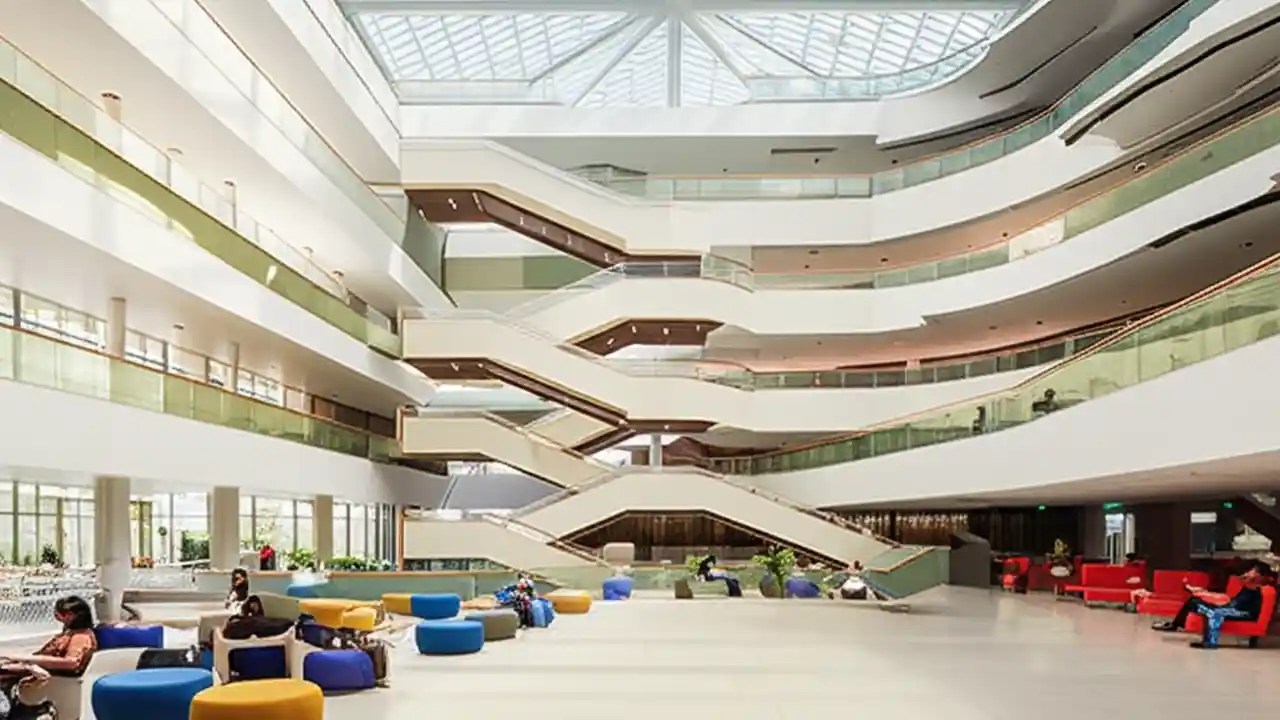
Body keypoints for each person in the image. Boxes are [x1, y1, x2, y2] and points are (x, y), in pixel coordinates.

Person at [0, 596, 98, 720]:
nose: (57, 616)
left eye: (61, 613)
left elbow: (71, 662)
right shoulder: (70, 633)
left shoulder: (80, 637)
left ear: (72, 615)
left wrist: (29, 661)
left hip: (48, 677)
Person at [1152, 561, 1273, 649]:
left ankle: (1210, 642)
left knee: (1212, 613)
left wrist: (1245, 579)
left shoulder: (1257, 588)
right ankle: (1176, 624)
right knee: (1194, 601)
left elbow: (1245, 605)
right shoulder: (1250, 586)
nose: (1248, 573)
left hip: (1242, 613)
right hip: (1230, 609)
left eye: (1252, 571)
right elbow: (1236, 597)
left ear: (1260, 576)